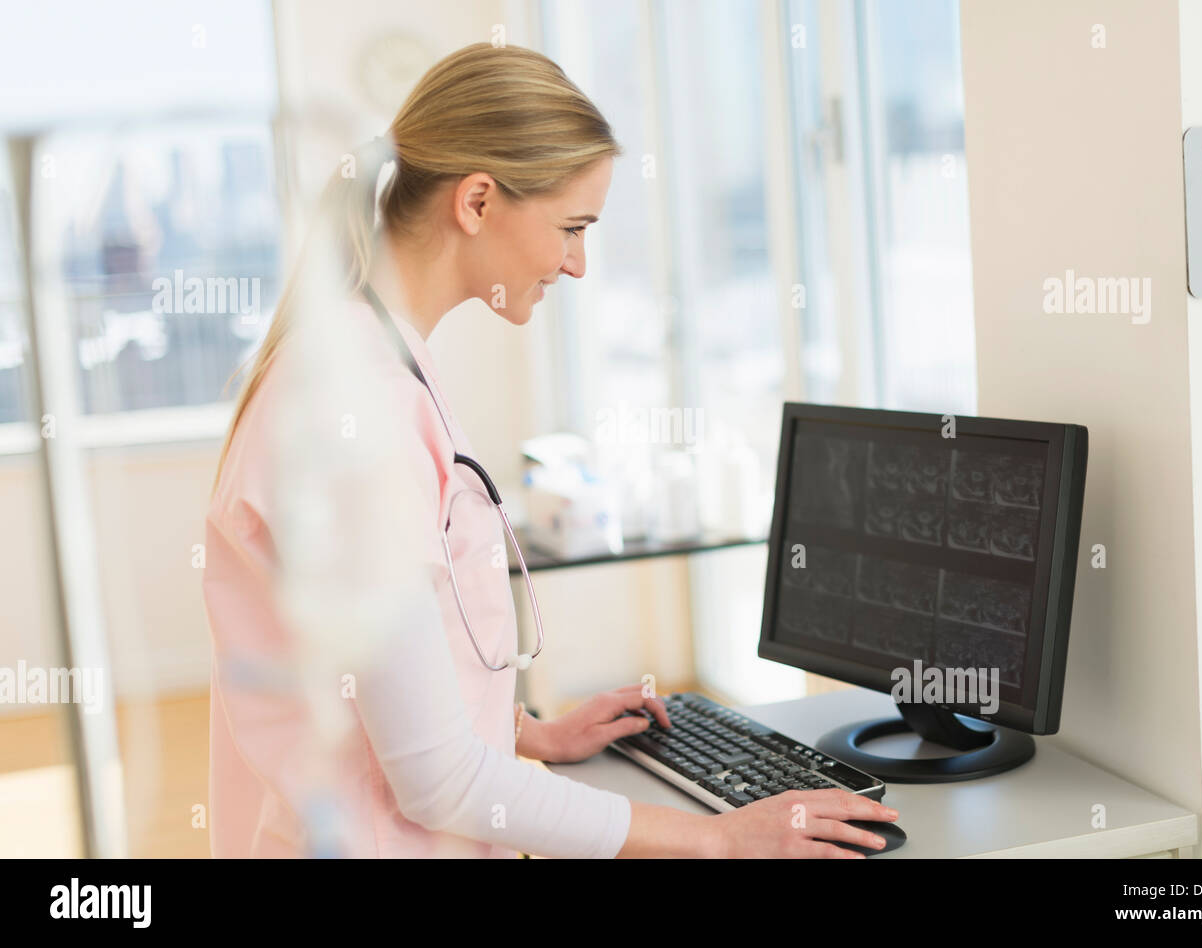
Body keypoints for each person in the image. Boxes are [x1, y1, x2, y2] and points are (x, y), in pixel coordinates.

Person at [202, 41, 898, 858]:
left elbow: (372, 677)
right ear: (478, 201)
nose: (577, 263)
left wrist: (526, 731)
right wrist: (717, 838)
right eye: (571, 228)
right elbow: (440, 785)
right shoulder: (351, 410)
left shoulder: (368, 360)